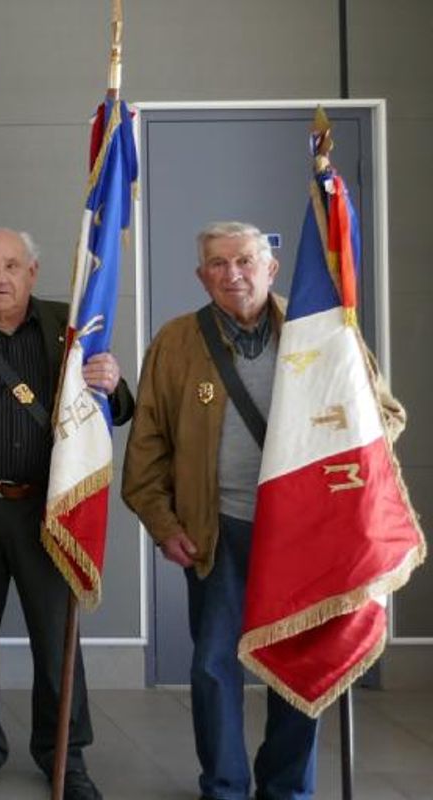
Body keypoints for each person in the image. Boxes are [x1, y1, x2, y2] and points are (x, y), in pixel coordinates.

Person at [120, 221, 403, 800]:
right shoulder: (174, 343)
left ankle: (284, 788)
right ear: (202, 277)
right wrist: (163, 523)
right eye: (219, 265)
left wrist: (346, 459)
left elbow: (386, 416)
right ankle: (223, 786)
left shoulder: (323, 334)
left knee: (298, 665)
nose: (233, 274)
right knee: (212, 667)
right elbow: (147, 445)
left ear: (270, 268)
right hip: (216, 531)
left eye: (245, 261)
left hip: (304, 538)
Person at [0, 228, 131, 800]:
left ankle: (64, 752)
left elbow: (118, 408)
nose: (0, 276)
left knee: (56, 641)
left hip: (50, 511)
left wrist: (114, 382)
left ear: (34, 272)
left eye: (12, 265)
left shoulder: (70, 330)